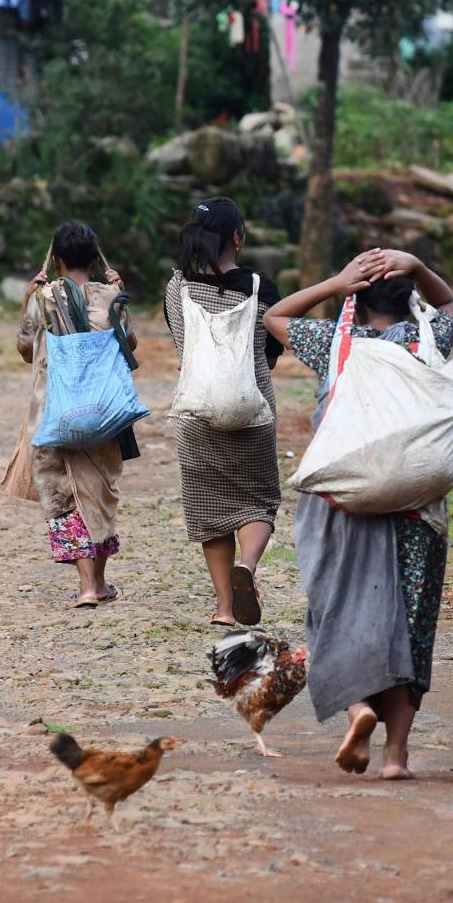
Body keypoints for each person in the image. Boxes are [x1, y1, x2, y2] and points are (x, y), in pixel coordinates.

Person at [266, 248, 453, 781]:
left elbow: (274, 316)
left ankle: (359, 709)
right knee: (410, 625)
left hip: (341, 504)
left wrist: (335, 281)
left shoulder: (335, 343)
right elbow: (448, 300)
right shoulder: (428, 339)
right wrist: (418, 263)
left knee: (336, 609)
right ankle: (396, 756)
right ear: (407, 296)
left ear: (357, 296)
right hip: (415, 508)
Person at [2, 221, 138, 610]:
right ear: (96, 260)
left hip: (53, 414)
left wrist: (26, 300)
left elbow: (25, 348)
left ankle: (86, 587)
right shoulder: (112, 296)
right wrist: (120, 294)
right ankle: (99, 582)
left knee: (65, 495)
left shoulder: (44, 298)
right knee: (98, 491)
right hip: (104, 413)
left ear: (57, 261)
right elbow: (129, 344)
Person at [162, 197, 283, 627]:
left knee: (210, 508)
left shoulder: (177, 288)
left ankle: (224, 610)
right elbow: (269, 355)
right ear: (237, 237)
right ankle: (246, 567)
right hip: (253, 410)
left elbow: (182, 346)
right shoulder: (260, 287)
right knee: (258, 501)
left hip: (196, 413)